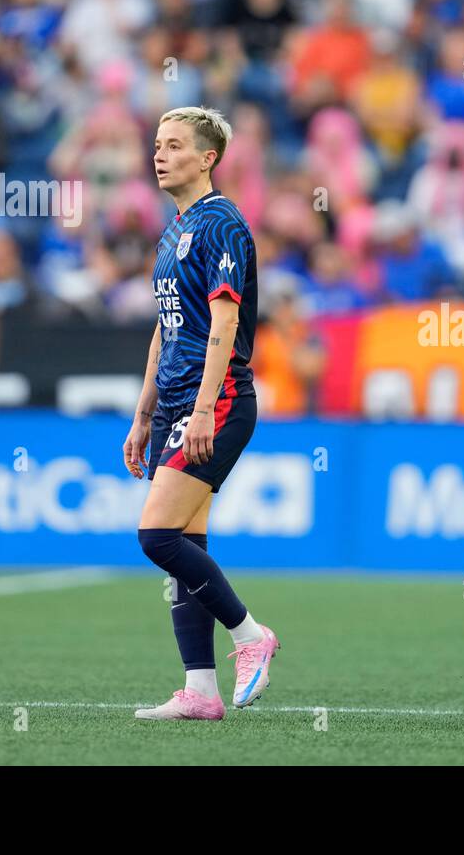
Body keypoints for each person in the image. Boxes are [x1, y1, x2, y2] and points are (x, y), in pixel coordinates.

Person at [123, 106, 280, 721]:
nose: (159, 155)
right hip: (174, 405)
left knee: (155, 535)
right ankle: (200, 691)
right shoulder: (172, 234)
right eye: (157, 144)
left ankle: (250, 636)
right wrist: (143, 414)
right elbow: (166, 329)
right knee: (186, 538)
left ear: (208, 157)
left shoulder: (223, 225)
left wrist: (205, 406)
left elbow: (225, 321)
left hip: (217, 402)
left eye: (174, 146)